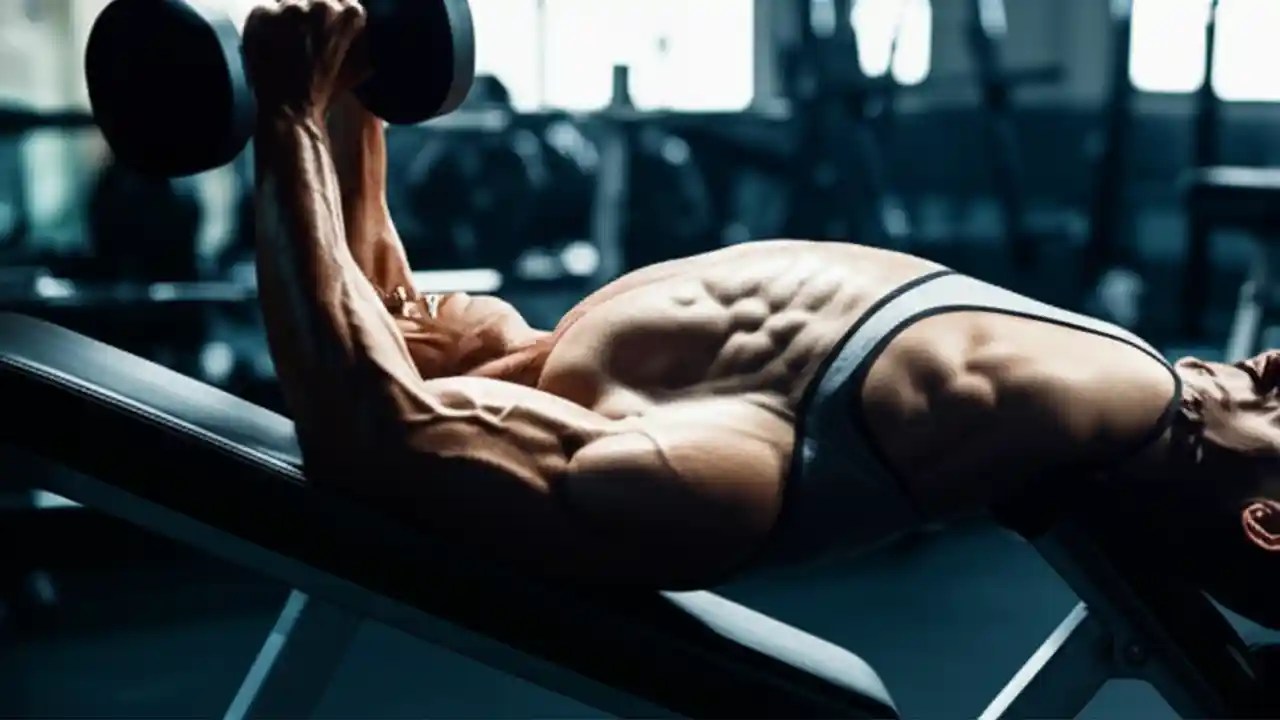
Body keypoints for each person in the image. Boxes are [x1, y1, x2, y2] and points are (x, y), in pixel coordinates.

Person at [243, 0, 1280, 625]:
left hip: (736, 428)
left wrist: (289, 116)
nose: (1276, 363)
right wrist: (354, 100)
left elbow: (368, 431)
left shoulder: (705, 480)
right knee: (447, 337)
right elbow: (385, 319)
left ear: (1268, 522)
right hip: (651, 378)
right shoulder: (1138, 395)